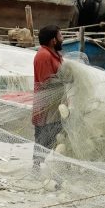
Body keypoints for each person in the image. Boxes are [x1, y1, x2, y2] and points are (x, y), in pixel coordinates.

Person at [32, 24, 64, 167]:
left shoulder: (54, 55)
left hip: (56, 105)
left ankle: (43, 170)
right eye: (60, 36)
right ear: (53, 40)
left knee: (55, 139)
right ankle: (35, 171)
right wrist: (68, 79)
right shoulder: (43, 55)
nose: (62, 39)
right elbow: (46, 82)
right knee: (44, 140)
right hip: (47, 107)